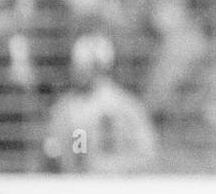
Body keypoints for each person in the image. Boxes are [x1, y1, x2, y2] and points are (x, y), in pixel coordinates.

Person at [43, 34, 158, 174]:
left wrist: (113, 167)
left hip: (119, 188)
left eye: (84, 65)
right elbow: (59, 153)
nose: (78, 71)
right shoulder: (67, 108)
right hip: (78, 187)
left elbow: (147, 153)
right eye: (77, 65)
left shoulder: (126, 106)